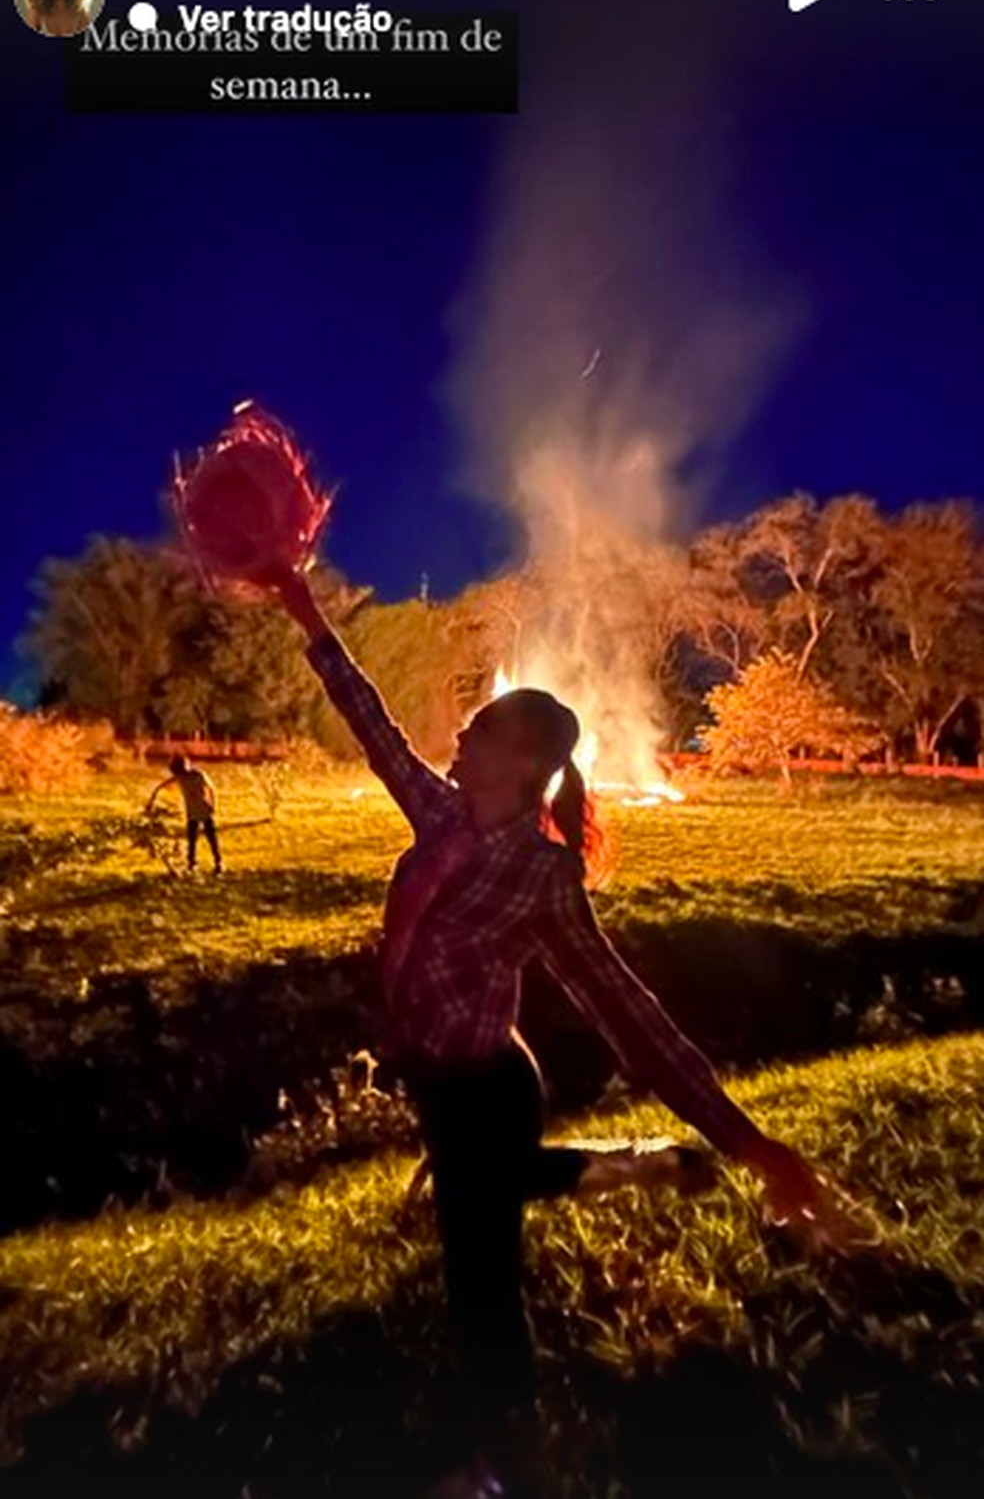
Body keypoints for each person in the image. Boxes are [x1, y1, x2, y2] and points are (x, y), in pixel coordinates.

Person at [273, 564, 861, 1499]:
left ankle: (510, 1464)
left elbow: (631, 1015)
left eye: (480, 729)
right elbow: (366, 715)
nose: (460, 734)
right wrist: (299, 600)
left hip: (487, 1090)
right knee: (497, 1192)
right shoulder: (437, 811)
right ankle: (639, 1162)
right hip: (438, 1077)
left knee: (480, 1279)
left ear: (520, 763)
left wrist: (750, 1144)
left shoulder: (545, 878)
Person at [145, 754, 223, 874]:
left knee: (212, 839)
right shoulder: (180, 777)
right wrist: (152, 800)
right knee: (192, 841)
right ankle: (192, 863)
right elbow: (161, 787)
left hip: (205, 811)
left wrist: (213, 805)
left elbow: (211, 788)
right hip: (192, 813)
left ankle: (218, 863)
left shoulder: (199, 775)